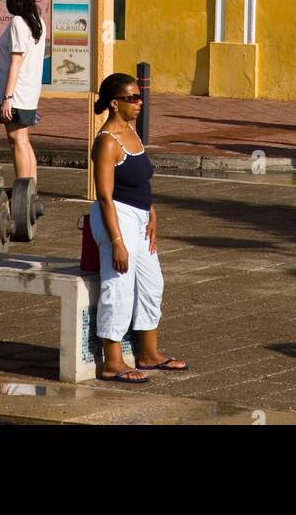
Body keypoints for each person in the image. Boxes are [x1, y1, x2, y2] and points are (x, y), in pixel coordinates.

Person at [89, 73, 187, 384]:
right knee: (118, 286)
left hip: (140, 217)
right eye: (132, 98)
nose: (139, 103)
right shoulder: (106, 142)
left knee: (152, 283)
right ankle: (112, 361)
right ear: (115, 104)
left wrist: (152, 212)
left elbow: (140, 182)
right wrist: (117, 241)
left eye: (140, 96)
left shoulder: (132, 132)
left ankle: (148, 353)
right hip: (116, 217)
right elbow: (104, 196)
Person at [0, 0, 46, 183]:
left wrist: (7, 97)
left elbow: (16, 61)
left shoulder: (18, 22)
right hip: (29, 90)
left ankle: (23, 192)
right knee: (23, 139)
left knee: (17, 140)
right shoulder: (37, 20)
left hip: (17, 92)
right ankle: (30, 190)